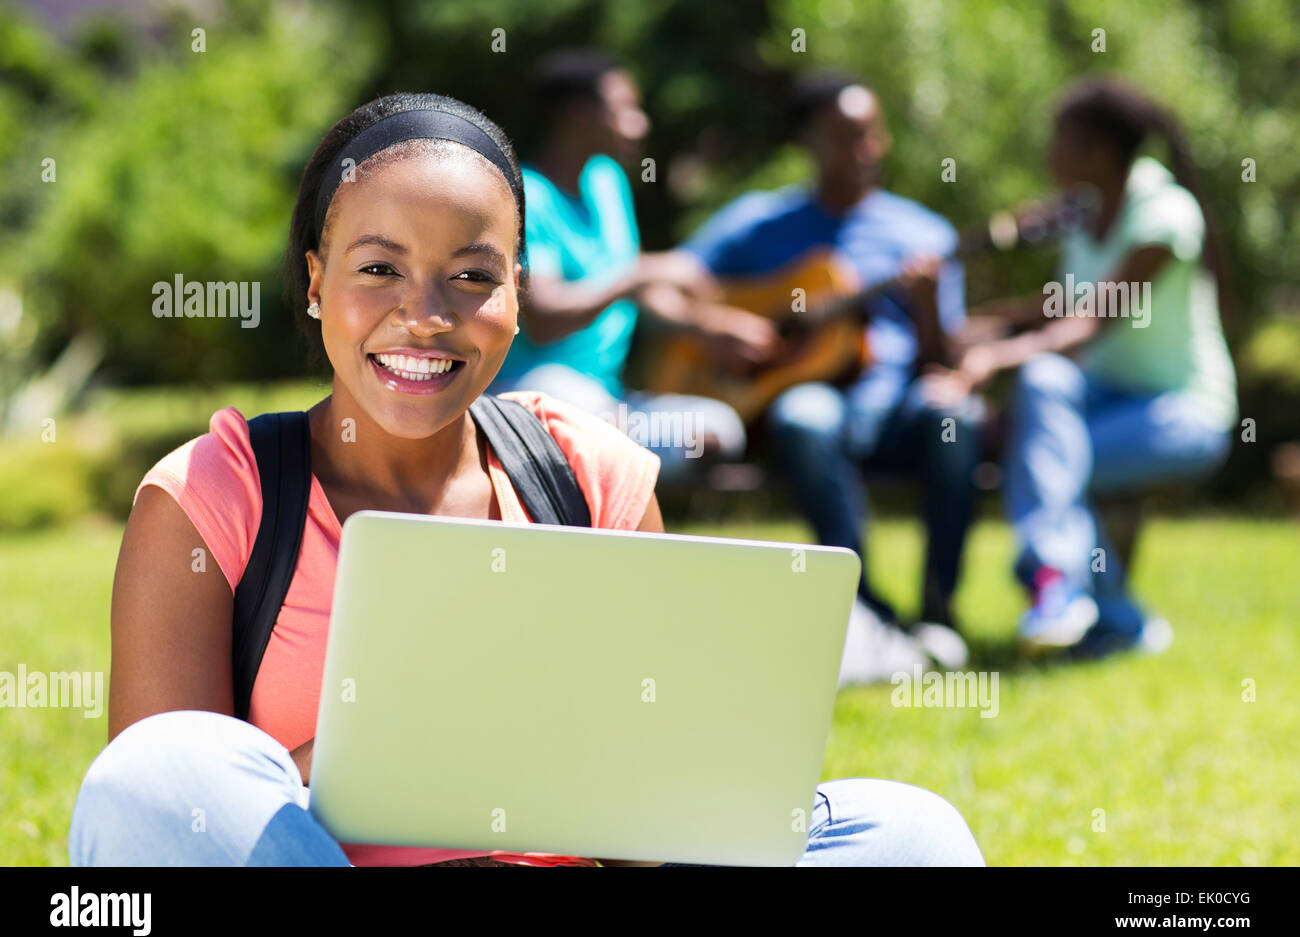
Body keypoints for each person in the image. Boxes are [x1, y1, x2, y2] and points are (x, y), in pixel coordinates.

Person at [67, 91, 984, 867]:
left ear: (519, 295)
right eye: (379, 268)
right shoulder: (211, 495)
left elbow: (650, 818)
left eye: (472, 275)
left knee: (913, 833)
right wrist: (405, 747)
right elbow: (175, 819)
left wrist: (671, 789)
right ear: (315, 281)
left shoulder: (594, 475)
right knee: (151, 775)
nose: (423, 317)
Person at [681, 71, 981, 683]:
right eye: (846, 136)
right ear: (809, 142)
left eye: (872, 134)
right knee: (804, 413)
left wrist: (925, 304)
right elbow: (673, 285)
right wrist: (719, 328)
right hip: (810, 402)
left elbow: (943, 355)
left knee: (955, 416)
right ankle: (864, 609)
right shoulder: (758, 223)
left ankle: (938, 611)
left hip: (898, 403)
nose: (863, 150)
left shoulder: (923, 233)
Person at [923, 77, 1237, 655]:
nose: (1048, 153)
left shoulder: (1164, 217)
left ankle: (1072, 596)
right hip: (1103, 398)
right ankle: (1101, 614)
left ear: (1100, 150)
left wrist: (993, 358)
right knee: (1045, 388)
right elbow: (1056, 312)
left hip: (1182, 414)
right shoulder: (1083, 213)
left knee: (1051, 462)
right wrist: (975, 326)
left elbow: (1089, 322)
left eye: (1059, 139)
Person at [487, 49, 769, 484]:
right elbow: (544, 317)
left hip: (605, 398)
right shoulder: (529, 197)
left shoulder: (607, 182)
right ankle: (599, 463)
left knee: (719, 429)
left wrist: (707, 326)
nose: (641, 123)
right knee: (581, 420)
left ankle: (608, 461)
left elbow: (633, 286)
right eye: (626, 110)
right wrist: (641, 272)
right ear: (577, 115)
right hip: (534, 389)